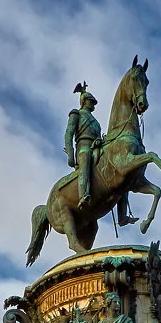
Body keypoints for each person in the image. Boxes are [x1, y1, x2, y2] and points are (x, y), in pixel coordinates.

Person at [64, 83, 137, 225]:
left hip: (96, 147)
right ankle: (83, 196)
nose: (94, 105)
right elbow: (68, 134)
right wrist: (70, 154)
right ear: (84, 102)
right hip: (83, 148)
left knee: (120, 171)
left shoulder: (95, 121)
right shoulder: (76, 114)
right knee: (86, 160)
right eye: (92, 102)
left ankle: (122, 216)